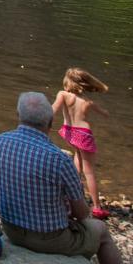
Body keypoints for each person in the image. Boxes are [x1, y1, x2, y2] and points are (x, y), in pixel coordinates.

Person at [0, 91, 129, 264]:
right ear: (50, 122)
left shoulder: (0, 142)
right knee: (101, 231)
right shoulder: (60, 159)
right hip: (49, 240)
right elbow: (82, 214)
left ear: (18, 116)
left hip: (11, 229)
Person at [53, 67, 111, 218]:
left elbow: (53, 109)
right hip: (83, 134)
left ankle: (71, 194)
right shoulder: (87, 102)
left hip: (69, 132)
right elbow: (105, 114)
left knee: (77, 158)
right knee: (89, 172)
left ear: (67, 83)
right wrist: (105, 113)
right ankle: (97, 207)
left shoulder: (63, 95)